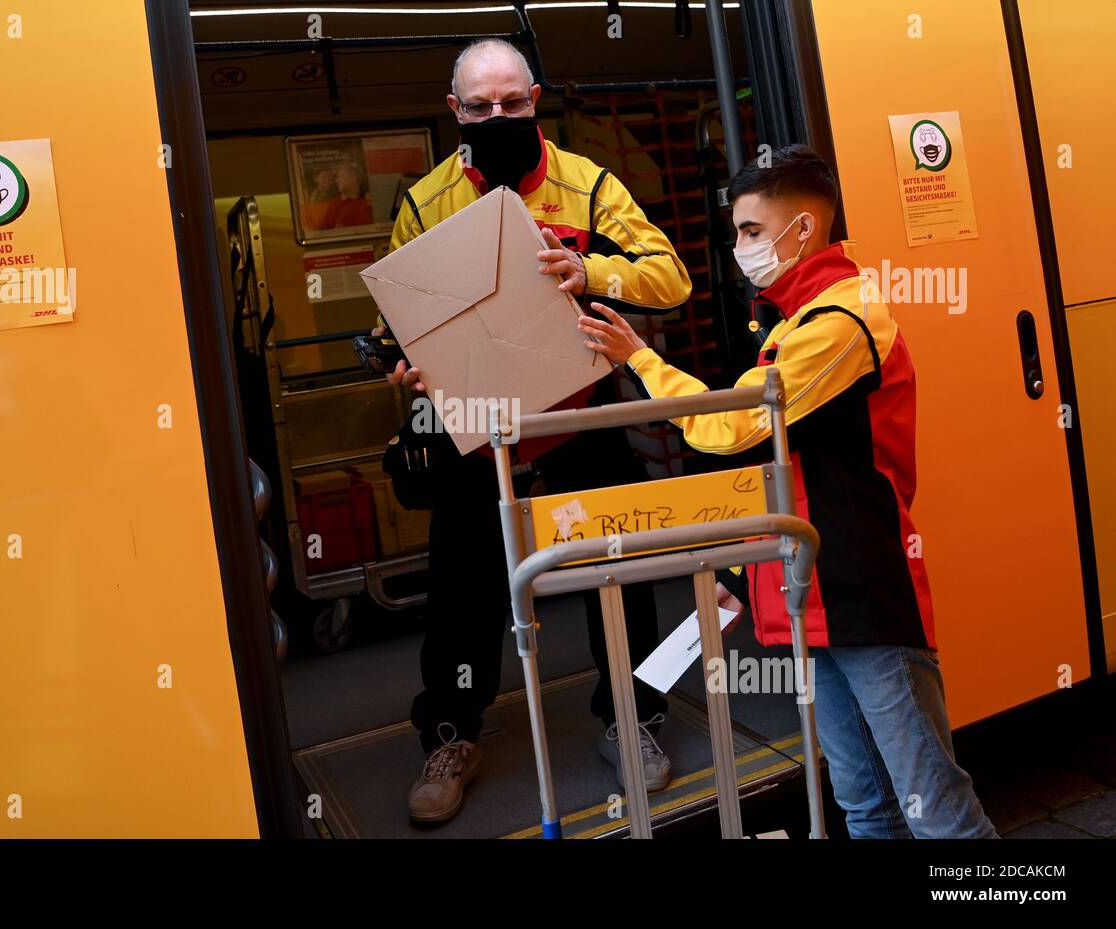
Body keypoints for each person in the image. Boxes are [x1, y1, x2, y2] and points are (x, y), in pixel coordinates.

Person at [576, 144, 998, 839]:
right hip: (814, 588)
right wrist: (747, 565)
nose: (739, 247)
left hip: (860, 590)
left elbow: (737, 426)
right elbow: (791, 462)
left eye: (750, 231)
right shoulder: (798, 320)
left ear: (801, 229)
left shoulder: (840, 321)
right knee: (865, 804)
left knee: (938, 810)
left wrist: (642, 360)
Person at [371, 38, 693, 824]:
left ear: (535, 98)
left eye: (511, 103)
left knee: (616, 568)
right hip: (478, 426)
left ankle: (633, 718)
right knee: (461, 585)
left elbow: (672, 277)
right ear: (455, 111)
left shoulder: (592, 185)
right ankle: (450, 732)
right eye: (479, 107)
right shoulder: (425, 199)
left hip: (582, 410)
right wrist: (403, 366)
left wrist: (594, 272)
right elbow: (394, 321)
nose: (497, 116)